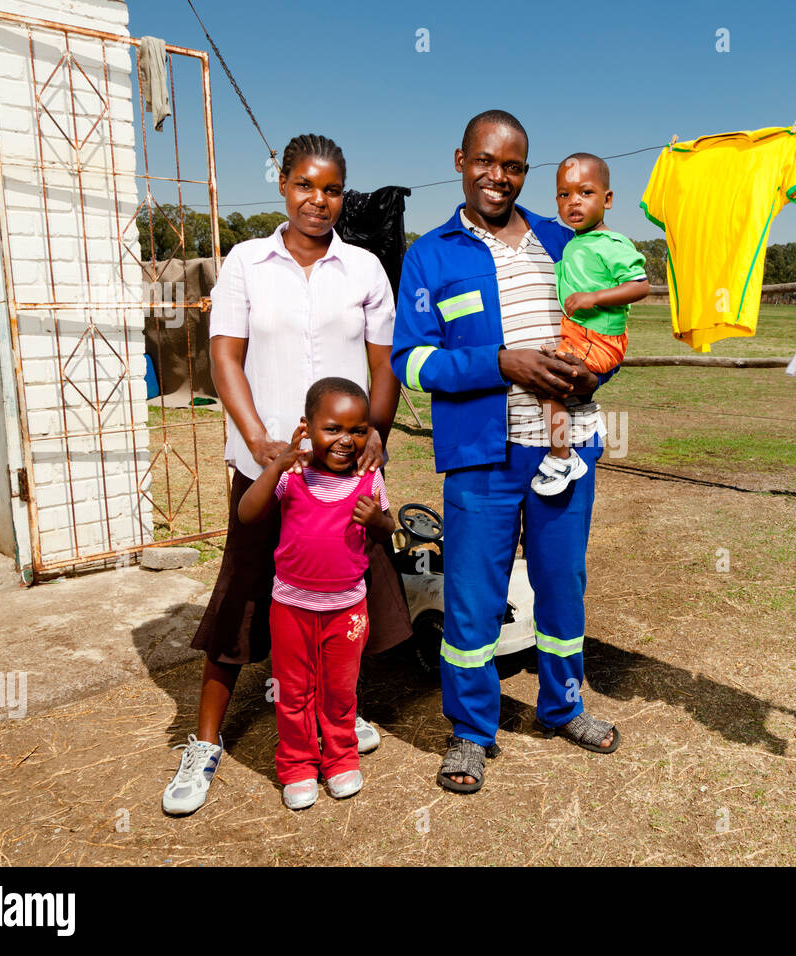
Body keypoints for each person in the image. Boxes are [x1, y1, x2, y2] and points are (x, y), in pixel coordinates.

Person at [162, 134, 400, 816]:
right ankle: (204, 742)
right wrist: (259, 440)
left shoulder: (363, 270)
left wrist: (375, 432)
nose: (316, 200)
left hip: (346, 473)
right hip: (268, 468)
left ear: (342, 194)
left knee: (349, 594)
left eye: (330, 189)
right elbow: (224, 359)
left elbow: (383, 365)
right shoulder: (246, 263)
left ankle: (333, 717)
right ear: (283, 185)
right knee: (244, 593)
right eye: (304, 185)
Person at [392, 110, 621, 795]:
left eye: (514, 166)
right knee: (471, 600)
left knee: (561, 584)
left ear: (527, 171)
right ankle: (470, 733)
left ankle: (563, 707)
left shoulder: (562, 241)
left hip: (563, 446)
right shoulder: (431, 255)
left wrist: (594, 373)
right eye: (486, 161)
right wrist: (501, 363)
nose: (499, 176)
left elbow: (603, 325)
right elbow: (412, 361)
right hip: (479, 453)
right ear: (461, 159)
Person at [237, 377, 395, 810]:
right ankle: (297, 765)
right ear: (307, 427)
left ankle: (341, 759)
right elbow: (247, 514)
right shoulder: (292, 475)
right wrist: (275, 464)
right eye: (333, 429)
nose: (346, 440)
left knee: (340, 692)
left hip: (348, 611)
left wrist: (377, 521)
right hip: (291, 609)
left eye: (358, 430)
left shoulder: (369, 477)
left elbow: (388, 529)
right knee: (293, 693)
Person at [534, 153, 649, 495]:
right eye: (564, 194)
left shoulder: (613, 244)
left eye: (585, 193)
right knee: (549, 376)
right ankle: (577, 424)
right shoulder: (576, 241)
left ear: (607, 199)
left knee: (547, 381)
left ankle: (561, 456)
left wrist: (592, 298)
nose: (574, 202)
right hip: (579, 334)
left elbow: (640, 285)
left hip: (597, 338)